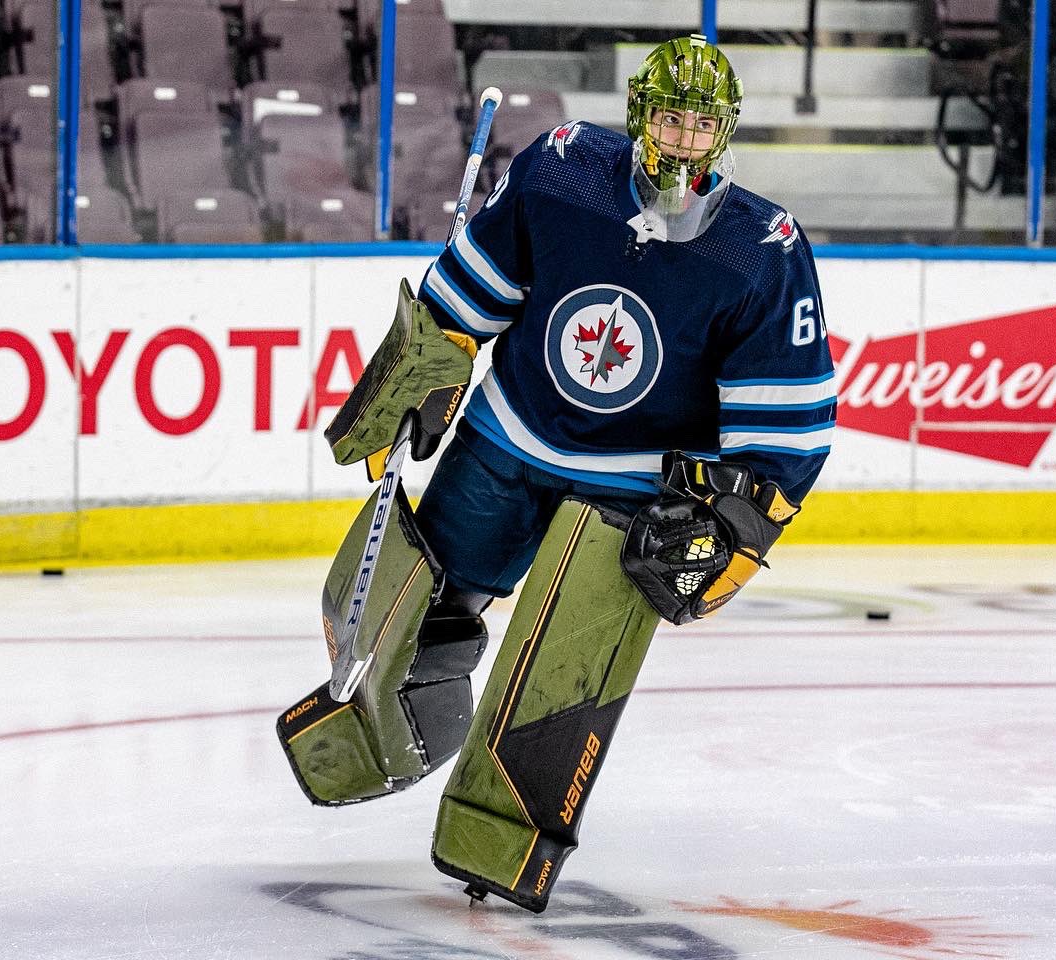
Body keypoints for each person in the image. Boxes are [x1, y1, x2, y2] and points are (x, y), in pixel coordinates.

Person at [277, 34, 836, 913]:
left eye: (701, 124)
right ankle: (378, 729)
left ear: (724, 131)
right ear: (640, 115)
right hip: (511, 435)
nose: (683, 139)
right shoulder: (561, 171)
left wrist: (734, 524)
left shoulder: (762, 248)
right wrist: (421, 371)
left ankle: (500, 836)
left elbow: (786, 423)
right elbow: (466, 296)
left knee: (557, 679)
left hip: (631, 487)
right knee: (418, 605)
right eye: (670, 118)